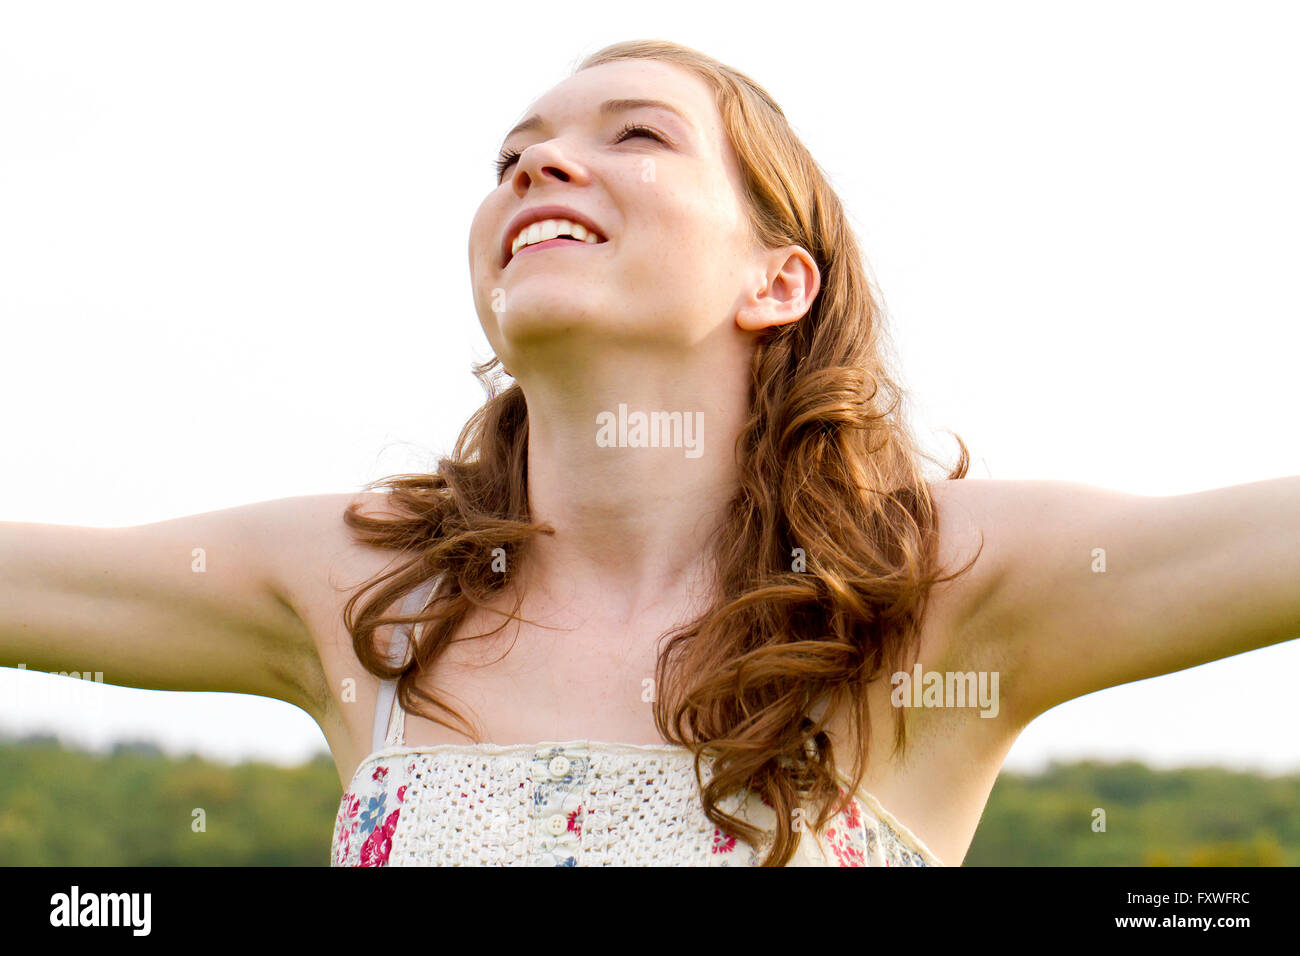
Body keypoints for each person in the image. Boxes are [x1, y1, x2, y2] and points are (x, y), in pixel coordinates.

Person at [4, 39, 1297, 867]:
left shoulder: (935, 588)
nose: (538, 165)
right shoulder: (365, 589)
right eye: (511, 156)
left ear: (777, 280)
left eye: (633, 135)